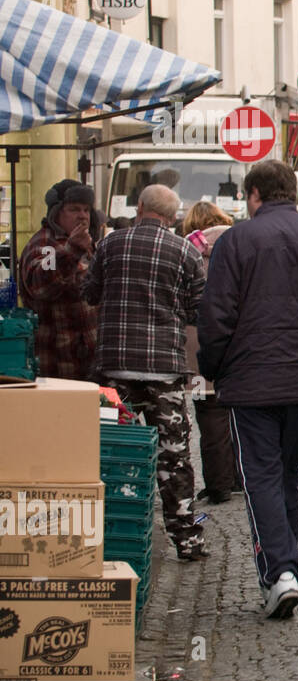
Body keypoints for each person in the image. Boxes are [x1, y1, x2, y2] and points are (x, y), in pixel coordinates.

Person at [197, 160, 298, 619]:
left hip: (250, 382)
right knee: (286, 476)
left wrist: (215, 367)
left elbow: (216, 316)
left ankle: (280, 573)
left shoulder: (235, 241)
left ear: (253, 195)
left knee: (262, 477)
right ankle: (286, 567)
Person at [83, 184, 208, 561]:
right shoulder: (186, 250)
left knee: (110, 452)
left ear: (139, 207)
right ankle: (187, 539)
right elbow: (197, 309)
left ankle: (108, 533)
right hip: (163, 370)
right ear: (173, 217)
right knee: (174, 457)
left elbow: (91, 293)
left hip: (114, 368)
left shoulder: (109, 245)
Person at [181, 201, 239, 505]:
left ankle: (218, 484)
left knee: (210, 413)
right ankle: (242, 476)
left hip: (200, 343)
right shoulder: (241, 239)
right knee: (241, 413)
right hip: (239, 340)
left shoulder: (188, 248)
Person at [18, 179, 100, 380]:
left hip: (86, 363)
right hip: (58, 365)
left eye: (86, 210)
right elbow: (41, 287)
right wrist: (71, 251)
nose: (82, 215)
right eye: (74, 209)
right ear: (56, 212)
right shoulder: (45, 243)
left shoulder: (87, 243)